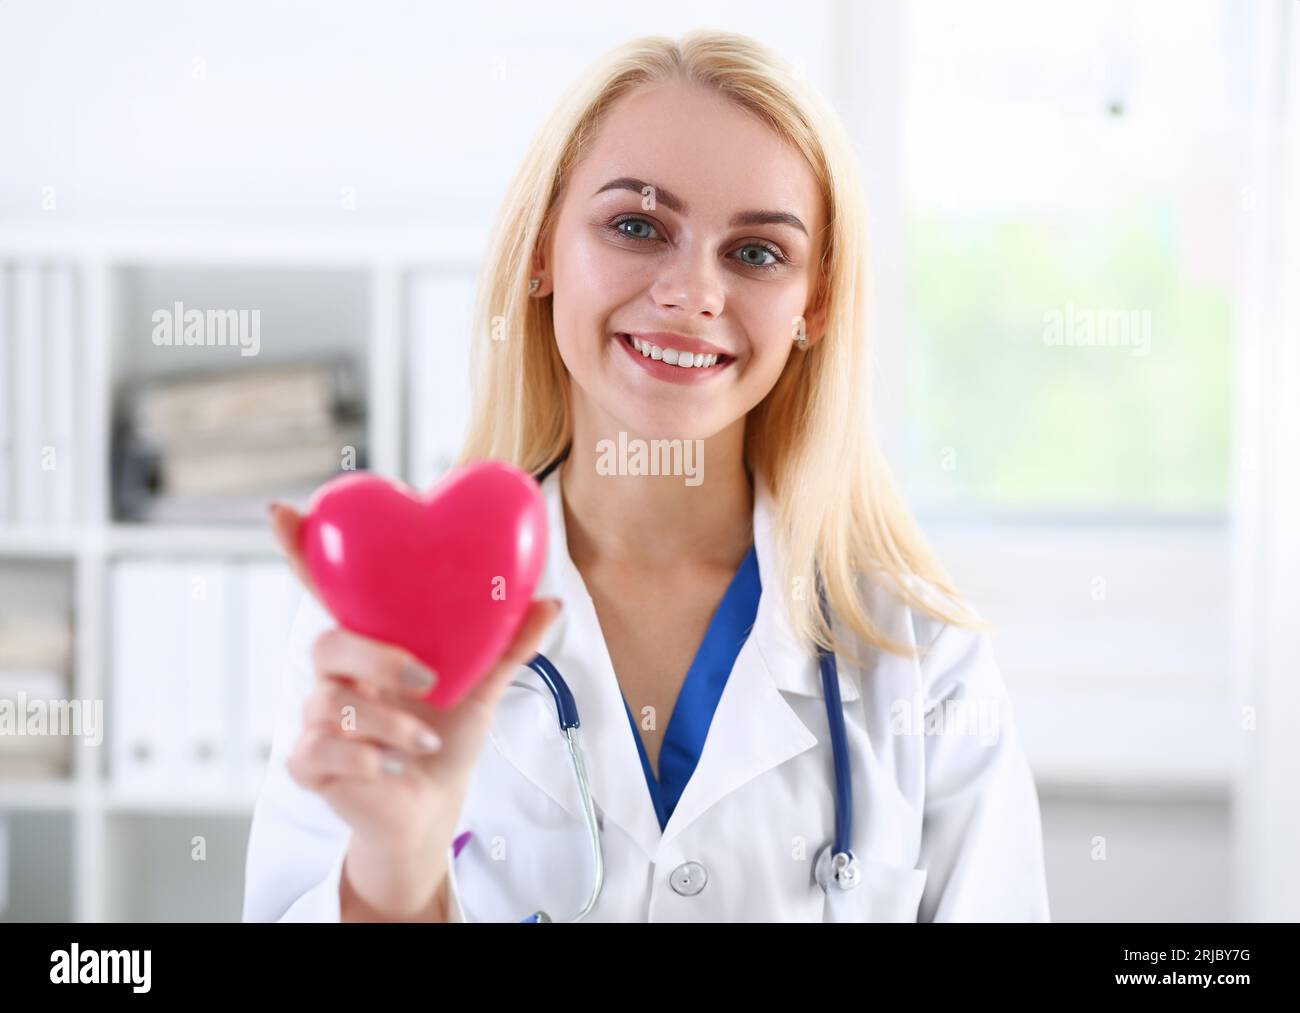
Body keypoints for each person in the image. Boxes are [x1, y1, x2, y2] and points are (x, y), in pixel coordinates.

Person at [242, 29, 1050, 923]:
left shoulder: (923, 657)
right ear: (543, 248)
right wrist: (397, 875)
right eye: (636, 226)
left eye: (756, 253)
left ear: (811, 305)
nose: (692, 292)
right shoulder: (384, 626)